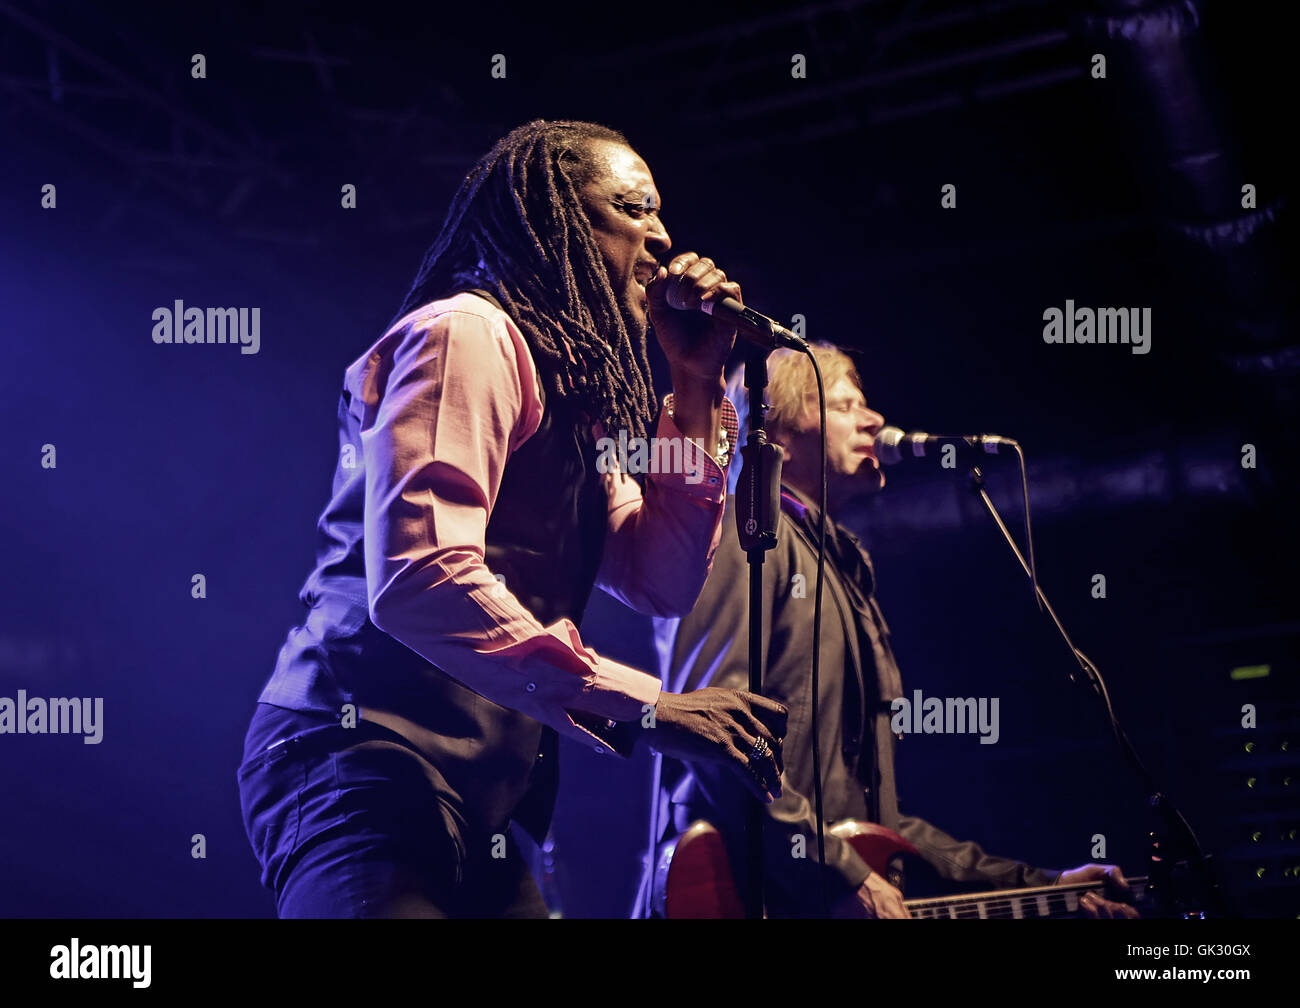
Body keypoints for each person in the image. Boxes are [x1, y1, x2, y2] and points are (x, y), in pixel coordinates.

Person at [236, 120, 786, 918]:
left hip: (487, 789)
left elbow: (654, 577)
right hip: (361, 756)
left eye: (659, 213)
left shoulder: (583, 396)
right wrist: (647, 703)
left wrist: (695, 383)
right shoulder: (466, 333)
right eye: (632, 208)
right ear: (558, 216)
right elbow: (422, 577)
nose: (662, 236)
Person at [645, 342, 1139, 918]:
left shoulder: (844, 573)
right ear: (776, 429)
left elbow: (878, 822)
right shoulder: (745, 532)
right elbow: (713, 733)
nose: (874, 419)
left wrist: (1045, 885)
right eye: (847, 404)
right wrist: (841, 873)